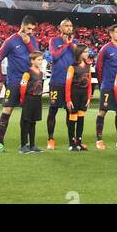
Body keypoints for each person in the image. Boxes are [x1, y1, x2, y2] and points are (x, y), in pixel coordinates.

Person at [0, 17, 38, 152]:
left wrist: (28, 44)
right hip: (14, 82)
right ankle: (0, 143)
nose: (31, 32)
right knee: (7, 111)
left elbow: (36, 58)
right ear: (22, 25)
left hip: (30, 83)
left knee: (28, 115)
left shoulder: (32, 40)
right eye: (29, 28)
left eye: (33, 29)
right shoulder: (11, 41)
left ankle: (26, 145)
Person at [45, 19, 78, 150]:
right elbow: (54, 57)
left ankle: (71, 140)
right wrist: (65, 44)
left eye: (70, 26)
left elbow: (79, 56)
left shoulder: (75, 43)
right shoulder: (54, 41)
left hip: (71, 83)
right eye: (66, 26)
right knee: (53, 110)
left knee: (70, 111)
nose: (69, 28)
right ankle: (51, 138)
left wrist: (70, 44)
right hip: (57, 81)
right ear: (60, 27)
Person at [94, 25, 117, 150]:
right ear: (111, 34)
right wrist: (103, 83)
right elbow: (98, 67)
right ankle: (99, 140)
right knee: (103, 111)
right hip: (108, 86)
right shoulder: (105, 49)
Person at [15, 52, 46, 154]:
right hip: (28, 99)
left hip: (37, 99)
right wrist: (22, 99)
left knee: (33, 122)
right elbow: (22, 86)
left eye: (41, 59)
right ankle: (23, 145)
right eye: (38, 59)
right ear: (32, 61)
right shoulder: (27, 73)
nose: (40, 61)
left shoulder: (41, 73)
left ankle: (32, 145)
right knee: (25, 123)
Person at [64, 45, 92, 151]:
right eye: (85, 52)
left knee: (81, 119)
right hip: (74, 95)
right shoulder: (72, 67)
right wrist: (68, 99)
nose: (87, 53)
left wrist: (89, 97)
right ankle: (71, 143)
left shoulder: (88, 67)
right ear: (79, 53)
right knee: (73, 118)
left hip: (83, 96)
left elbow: (89, 84)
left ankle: (79, 142)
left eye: (87, 51)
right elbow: (68, 84)